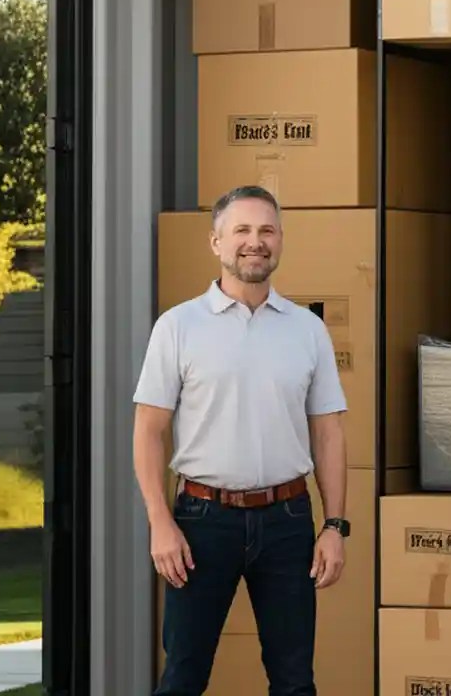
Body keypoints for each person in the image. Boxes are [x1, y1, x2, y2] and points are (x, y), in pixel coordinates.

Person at [132, 185, 351, 696]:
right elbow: (148, 430)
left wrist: (334, 525)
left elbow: (328, 432)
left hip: (288, 522)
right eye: (243, 230)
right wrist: (160, 522)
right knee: (183, 678)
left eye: (267, 230)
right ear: (216, 242)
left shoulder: (307, 329)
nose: (256, 241)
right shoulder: (178, 326)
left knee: (294, 682)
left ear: (280, 241)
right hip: (201, 523)